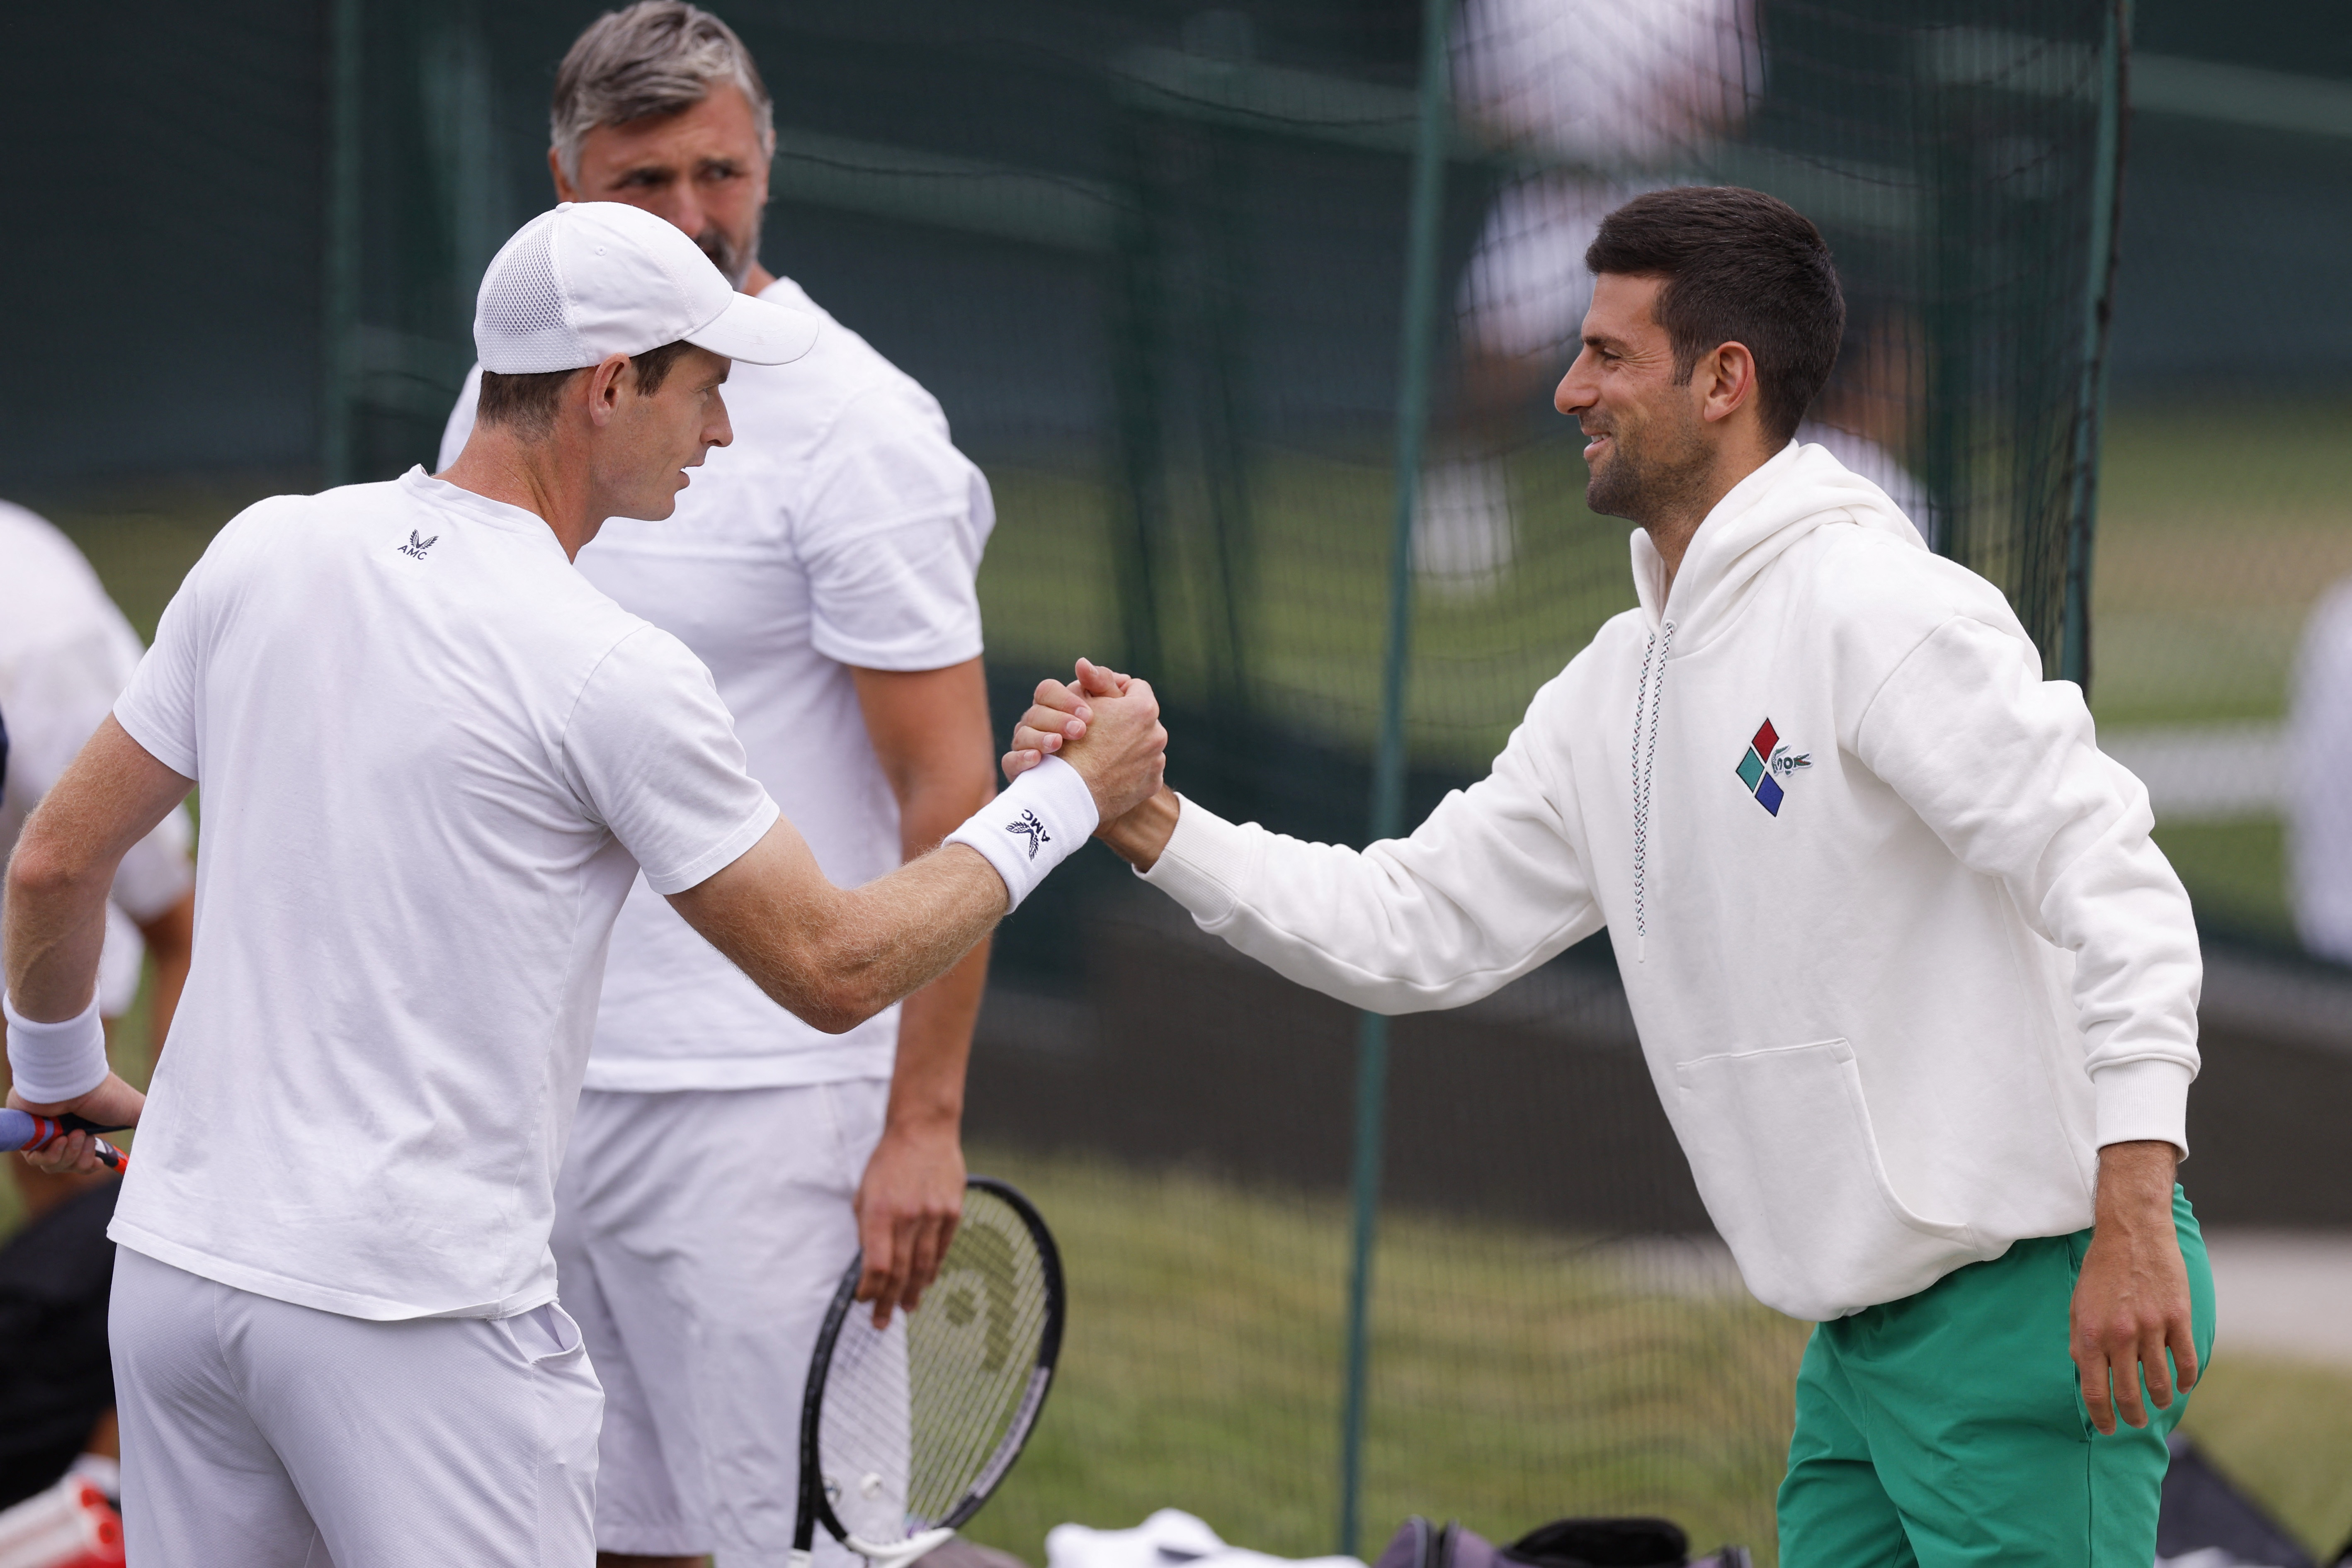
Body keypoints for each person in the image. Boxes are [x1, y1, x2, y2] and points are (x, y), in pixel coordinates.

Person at [1010, 187, 2211, 1567]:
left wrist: (2128, 1212)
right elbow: (1406, 929)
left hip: (2027, 1302)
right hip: (1860, 1352)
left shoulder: (1880, 608)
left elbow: (2113, 878)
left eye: (1607, 354)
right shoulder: (1608, 690)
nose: (1567, 387)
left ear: (1723, 382)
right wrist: (1152, 821)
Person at [4, 198, 1165, 1567]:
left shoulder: (266, 546)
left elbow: (55, 863)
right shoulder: (609, 669)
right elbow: (833, 964)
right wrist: (1061, 805)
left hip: (180, 1299)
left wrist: (58, 1064)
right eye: (706, 393)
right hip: (413, 1329)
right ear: (612, 387)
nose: (721, 435)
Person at [435, 11, 998, 1563]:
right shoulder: (520, 391)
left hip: (768, 1111)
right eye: (642, 182)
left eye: (721, 171)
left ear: (767, 167)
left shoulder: (864, 432)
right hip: (534, 1090)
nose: (692, 215)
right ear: (562, 184)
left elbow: (947, 797)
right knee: (577, 1533)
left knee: (794, 1544)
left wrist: (921, 1124)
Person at [0, 499, 197, 1512]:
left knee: (87, 1258)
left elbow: (177, 925)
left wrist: (172, 1154)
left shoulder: (39, 635)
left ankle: (109, 1486)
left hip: (38, 954)